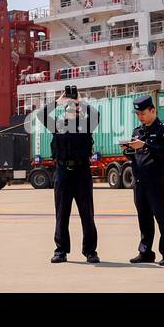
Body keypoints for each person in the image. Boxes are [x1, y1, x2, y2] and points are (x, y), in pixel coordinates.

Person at [39, 86, 99, 264]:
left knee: (87, 214)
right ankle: (61, 250)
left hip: (82, 172)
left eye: (75, 109)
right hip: (63, 172)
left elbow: (96, 115)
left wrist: (80, 101)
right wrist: (58, 101)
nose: (72, 111)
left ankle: (90, 251)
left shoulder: (87, 125)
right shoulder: (57, 126)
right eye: (69, 109)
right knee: (62, 213)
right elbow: (41, 115)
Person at [126, 94, 164, 265]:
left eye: (142, 113)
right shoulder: (137, 131)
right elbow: (135, 157)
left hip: (157, 182)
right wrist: (128, 150)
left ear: (152, 110)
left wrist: (146, 145)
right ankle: (146, 252)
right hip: (140, 183)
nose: (140, 117)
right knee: (144, 219)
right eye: (137, 114)